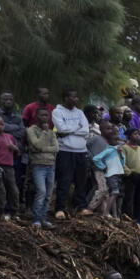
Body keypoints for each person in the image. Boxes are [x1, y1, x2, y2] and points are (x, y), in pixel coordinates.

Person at [51, 89, 91, 218]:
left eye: (77, 97)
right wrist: (76, 128)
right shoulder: (57, 112)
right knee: (64, 180)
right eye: (73, 97)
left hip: (81, 150)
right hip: (65, 151)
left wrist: (70, 130)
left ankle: (80, 207)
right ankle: (60, 209)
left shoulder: (79, 112)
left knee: (81, 181)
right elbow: (61, 128)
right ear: (65, 98)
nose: (76, 99)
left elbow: (85, 130)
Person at [26, 107, 58, 229]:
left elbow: (56, 148)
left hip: (50, 165)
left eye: (46, 115)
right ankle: (37, 220)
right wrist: (44, 134)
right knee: (41, 192)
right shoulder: (31, 130)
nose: (45, 118)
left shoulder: (51, 132)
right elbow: (36, 144)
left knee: (49, 194)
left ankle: (43, 218)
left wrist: (41, 149)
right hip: (38, 165)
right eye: (42, 115)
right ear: (36, 117)